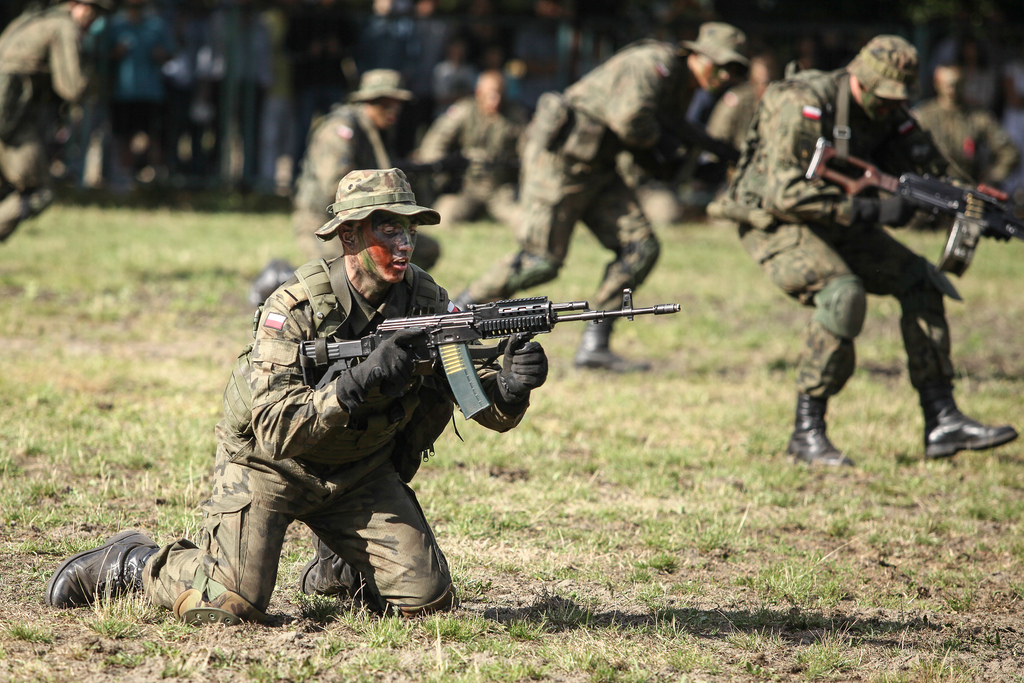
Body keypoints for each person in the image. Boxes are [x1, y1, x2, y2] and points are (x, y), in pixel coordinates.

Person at [45, 167, 550, 624]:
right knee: (225, 604)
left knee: (428, 602)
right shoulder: (296, 307)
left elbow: (472, 396)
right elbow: (275, 428)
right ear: (349, 235)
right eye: (389, 229)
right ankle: (133, 562)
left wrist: (509, 388)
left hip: (359, 473)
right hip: (271, 467)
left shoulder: (426, 300)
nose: (405, 244)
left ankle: (337, 568)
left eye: (410, 230)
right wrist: (356, 384)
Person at [714, 35, 1018, 466]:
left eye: (898, 98)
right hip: (774, 221)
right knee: (843, 294)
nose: (890, 106)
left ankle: (942, 419)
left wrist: (975, 206)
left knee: (922, 281)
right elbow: (785, 193)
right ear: (859, 78)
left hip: (838, 219)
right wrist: (872, 210)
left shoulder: (890, 113)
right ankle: (807, 432)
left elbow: (930, 170)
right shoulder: (802, 100)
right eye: (884, 96)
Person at [452, 22, 749, 372]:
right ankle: (457, 315)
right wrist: (672, 148)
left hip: (599, 168)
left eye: (735, 70)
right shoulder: (656, 64)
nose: (726, 76)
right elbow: (632, 121)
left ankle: (595, 344)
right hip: (560, 164)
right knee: (541, 260)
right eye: (722, 66)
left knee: (641, 247)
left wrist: (693, 166)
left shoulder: (681, 86)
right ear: (698, 55)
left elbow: (653, 141)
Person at [250, 69, 440, 306]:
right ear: (367, 102)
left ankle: (392, 300)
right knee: (339, 278)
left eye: (397, 104)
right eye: (385, 103)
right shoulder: (340, 131)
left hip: (372, 222)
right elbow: (334, 188)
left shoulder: (376, 133)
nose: (394, 110)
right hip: (328, 222)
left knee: (426, 249)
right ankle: (278, 280)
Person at [0, 0, 113, 242]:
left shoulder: (31, 19)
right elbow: (72, 87)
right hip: (11, 122)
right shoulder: (64, 27)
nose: (93, 20)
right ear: (76, 5)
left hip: (8, 116)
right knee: (37, 193)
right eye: (93, 12)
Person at [412, 69, 527, 229]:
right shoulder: (464, 110)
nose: (495, 100)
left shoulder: (515, 117)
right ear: (478, 93)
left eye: (499, 94)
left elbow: (528, 152)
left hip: (500, 187)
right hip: (466, 187)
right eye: (490, 94)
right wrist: (440, 170)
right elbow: (436, 140)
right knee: (442, 219)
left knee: (521, 219)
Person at [912, 64, 1020, 187]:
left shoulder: (978, 116)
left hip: (967, 189)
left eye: (957, 84)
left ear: (963, 84)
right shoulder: (922, 116)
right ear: (936, 84)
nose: (951, 90)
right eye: (947, 85)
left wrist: (991, 178)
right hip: (930, 185)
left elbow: (1009, 152)